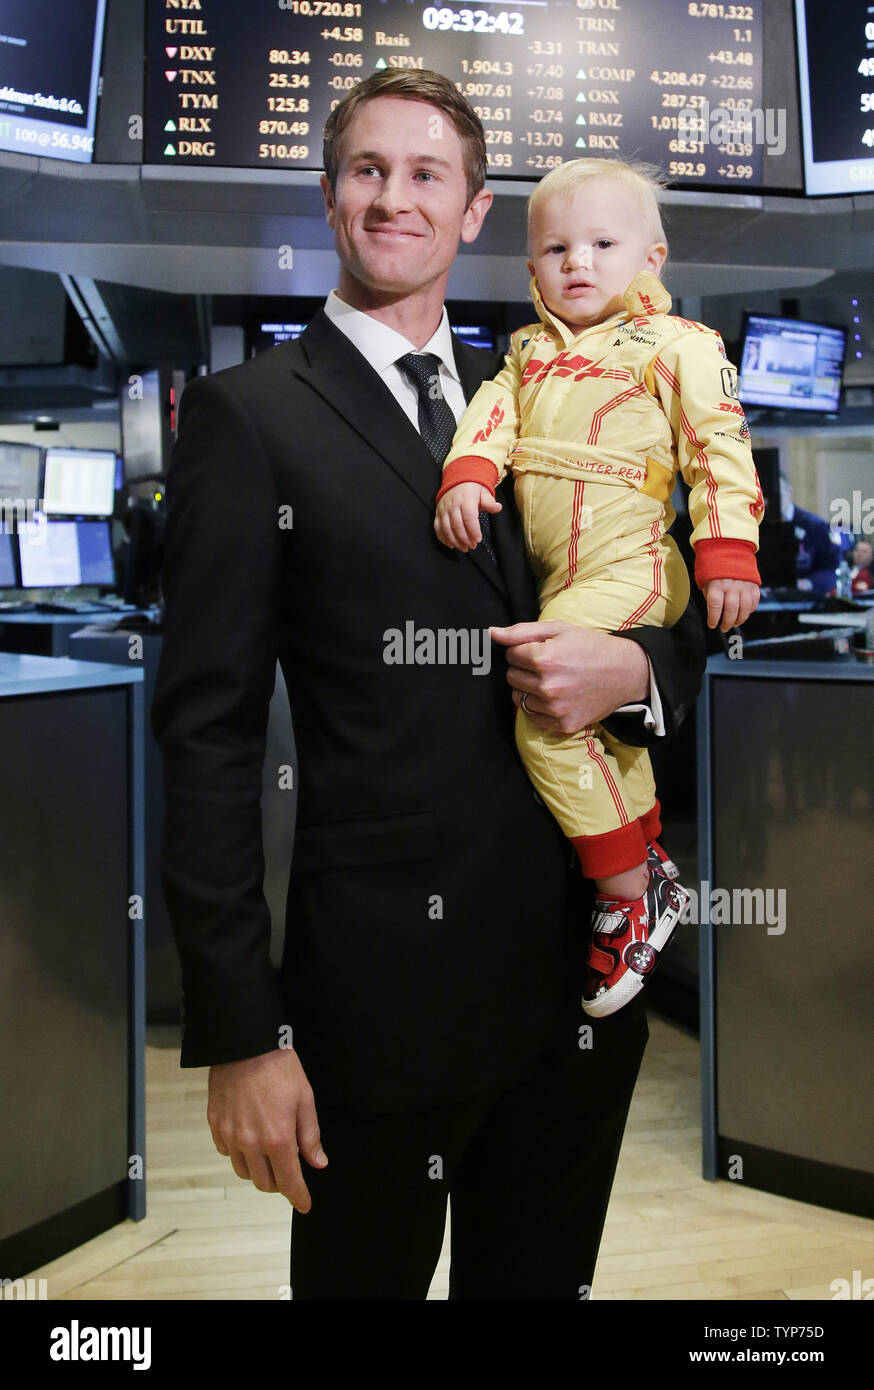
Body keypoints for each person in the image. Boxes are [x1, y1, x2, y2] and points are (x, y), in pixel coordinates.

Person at [150, 68, 706, 1301]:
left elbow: (668, 601)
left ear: (472, 213)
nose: (392, 197)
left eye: (425, 175)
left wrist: (640, 669)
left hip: (580, 987)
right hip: (382, 1003)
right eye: (366, 169)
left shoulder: (553, 389)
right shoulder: (252, 420)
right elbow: (207, 735)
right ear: (332, 194)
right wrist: (242, 1029)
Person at [435, 158, 762, 1017]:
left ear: (653, 256)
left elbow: (719, 450)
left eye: (603, 243)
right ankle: (645, 852)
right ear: (531, 268)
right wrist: (469, 472)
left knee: (546, 710)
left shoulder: (682, 344)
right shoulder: (527, 355)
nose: (577, 261)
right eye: (555, 248)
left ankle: (630, 893)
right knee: (606, 737)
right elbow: (491, 416)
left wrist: (728, 550)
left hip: (630, 566)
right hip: (560, 574)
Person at [779, 473, 841, 596]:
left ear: (789, 491)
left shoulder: (815, 526)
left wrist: (809, 583)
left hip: (806, 601)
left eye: (779, 496)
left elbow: (831, 568)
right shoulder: (756, 526)